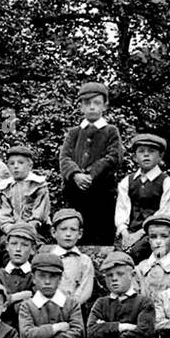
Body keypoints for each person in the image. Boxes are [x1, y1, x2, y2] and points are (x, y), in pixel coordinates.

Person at [59, 81, 122, 244]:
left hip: (102, 194)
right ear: (81, 107)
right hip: (76, 193)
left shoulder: (111, 131)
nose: (92, 107)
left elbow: (113, 157)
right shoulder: (74, 133)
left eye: (97, 103)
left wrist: (90, 175)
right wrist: (75, 174)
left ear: (105, 106)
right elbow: (64, 157)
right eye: (87, 103)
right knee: (75, 231)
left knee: (101, 235)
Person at [115, 133, 170, 263]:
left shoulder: (166, 182)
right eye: (141, 151)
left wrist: (139, 234)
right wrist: (125, 233)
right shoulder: (127, 181)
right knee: (116, 260)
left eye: (151, 151)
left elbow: (163, 214)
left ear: (160, 156)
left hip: (153, 233)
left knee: (136, 254)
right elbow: (122, 210)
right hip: (128, 232)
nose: (146, 155)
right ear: (135, 157)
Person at [39, 208, 95, 307]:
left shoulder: (84, 261)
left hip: (75, 310)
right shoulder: (47, 259)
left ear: (80, 234)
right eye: (63, 229)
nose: (68, 234)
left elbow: (86, 290)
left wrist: (71, 306)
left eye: (73, 230)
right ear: (53, 232)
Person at [0, 144, 51, 237]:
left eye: (21, 163)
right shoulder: (6, 187)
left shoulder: (38, 185)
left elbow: (40, 213)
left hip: (36, 230)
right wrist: (9, 228)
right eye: (12, 163)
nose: (16, 166)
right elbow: (4, 213)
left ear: (30, 165)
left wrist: (30, 227)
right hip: (12, 230)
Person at [134, 212, 170, 304]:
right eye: (153, 237)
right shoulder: (140, 269)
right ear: (149, 240)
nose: (158, 241)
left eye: (164, 236)